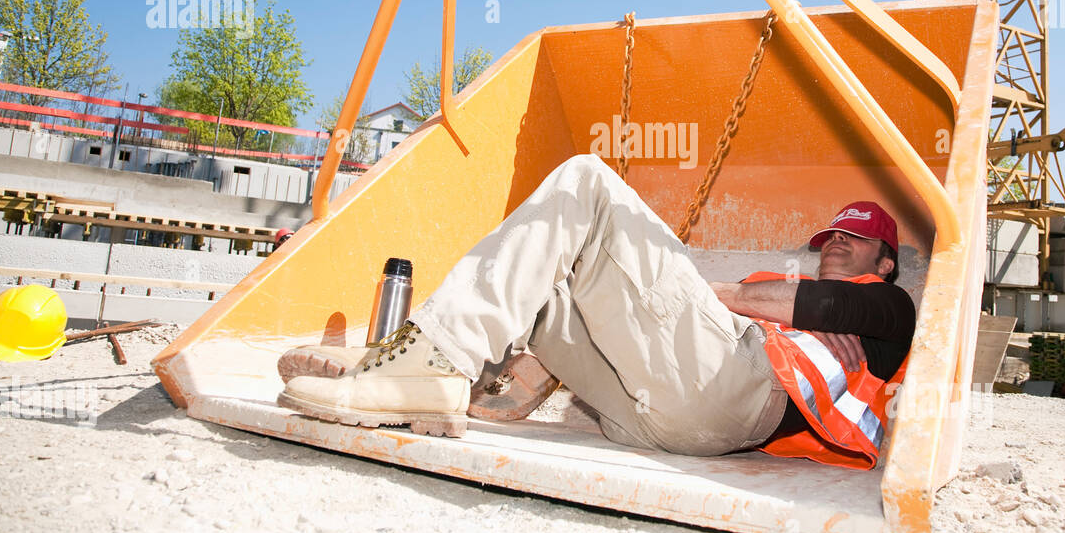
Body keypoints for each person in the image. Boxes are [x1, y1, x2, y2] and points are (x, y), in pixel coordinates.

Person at [278, 153, 915, 469]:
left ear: (884, 260)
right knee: (546, 281)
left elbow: (826, 301)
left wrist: (736, 297)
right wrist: (761, 303)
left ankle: (429, 361)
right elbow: (746, 307)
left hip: (744, 398)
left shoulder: (889, 305)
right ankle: (425, 371)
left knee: (586, 177)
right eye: (830, 236)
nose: (837, 244)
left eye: (854, 239)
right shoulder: (773, 287)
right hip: (663, 423)